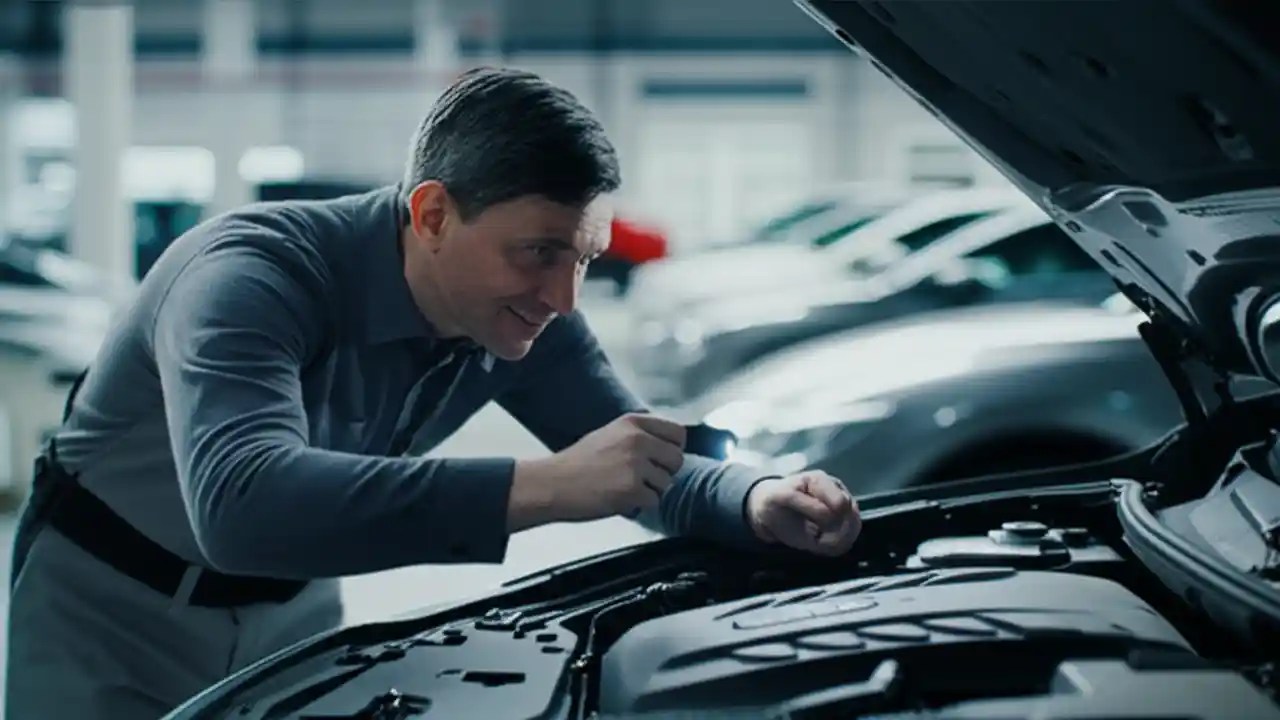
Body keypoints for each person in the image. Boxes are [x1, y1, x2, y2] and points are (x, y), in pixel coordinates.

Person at [5, 66, 862, 719]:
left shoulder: (521, 314)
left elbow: (633, 454)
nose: (563, 298)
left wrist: (756, 498)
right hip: (108, 612)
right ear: (433, 214)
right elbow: (241, 506)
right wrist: (543, 489)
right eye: (538, 253)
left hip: (294, 613)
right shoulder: (246, 277)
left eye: (584, 259)